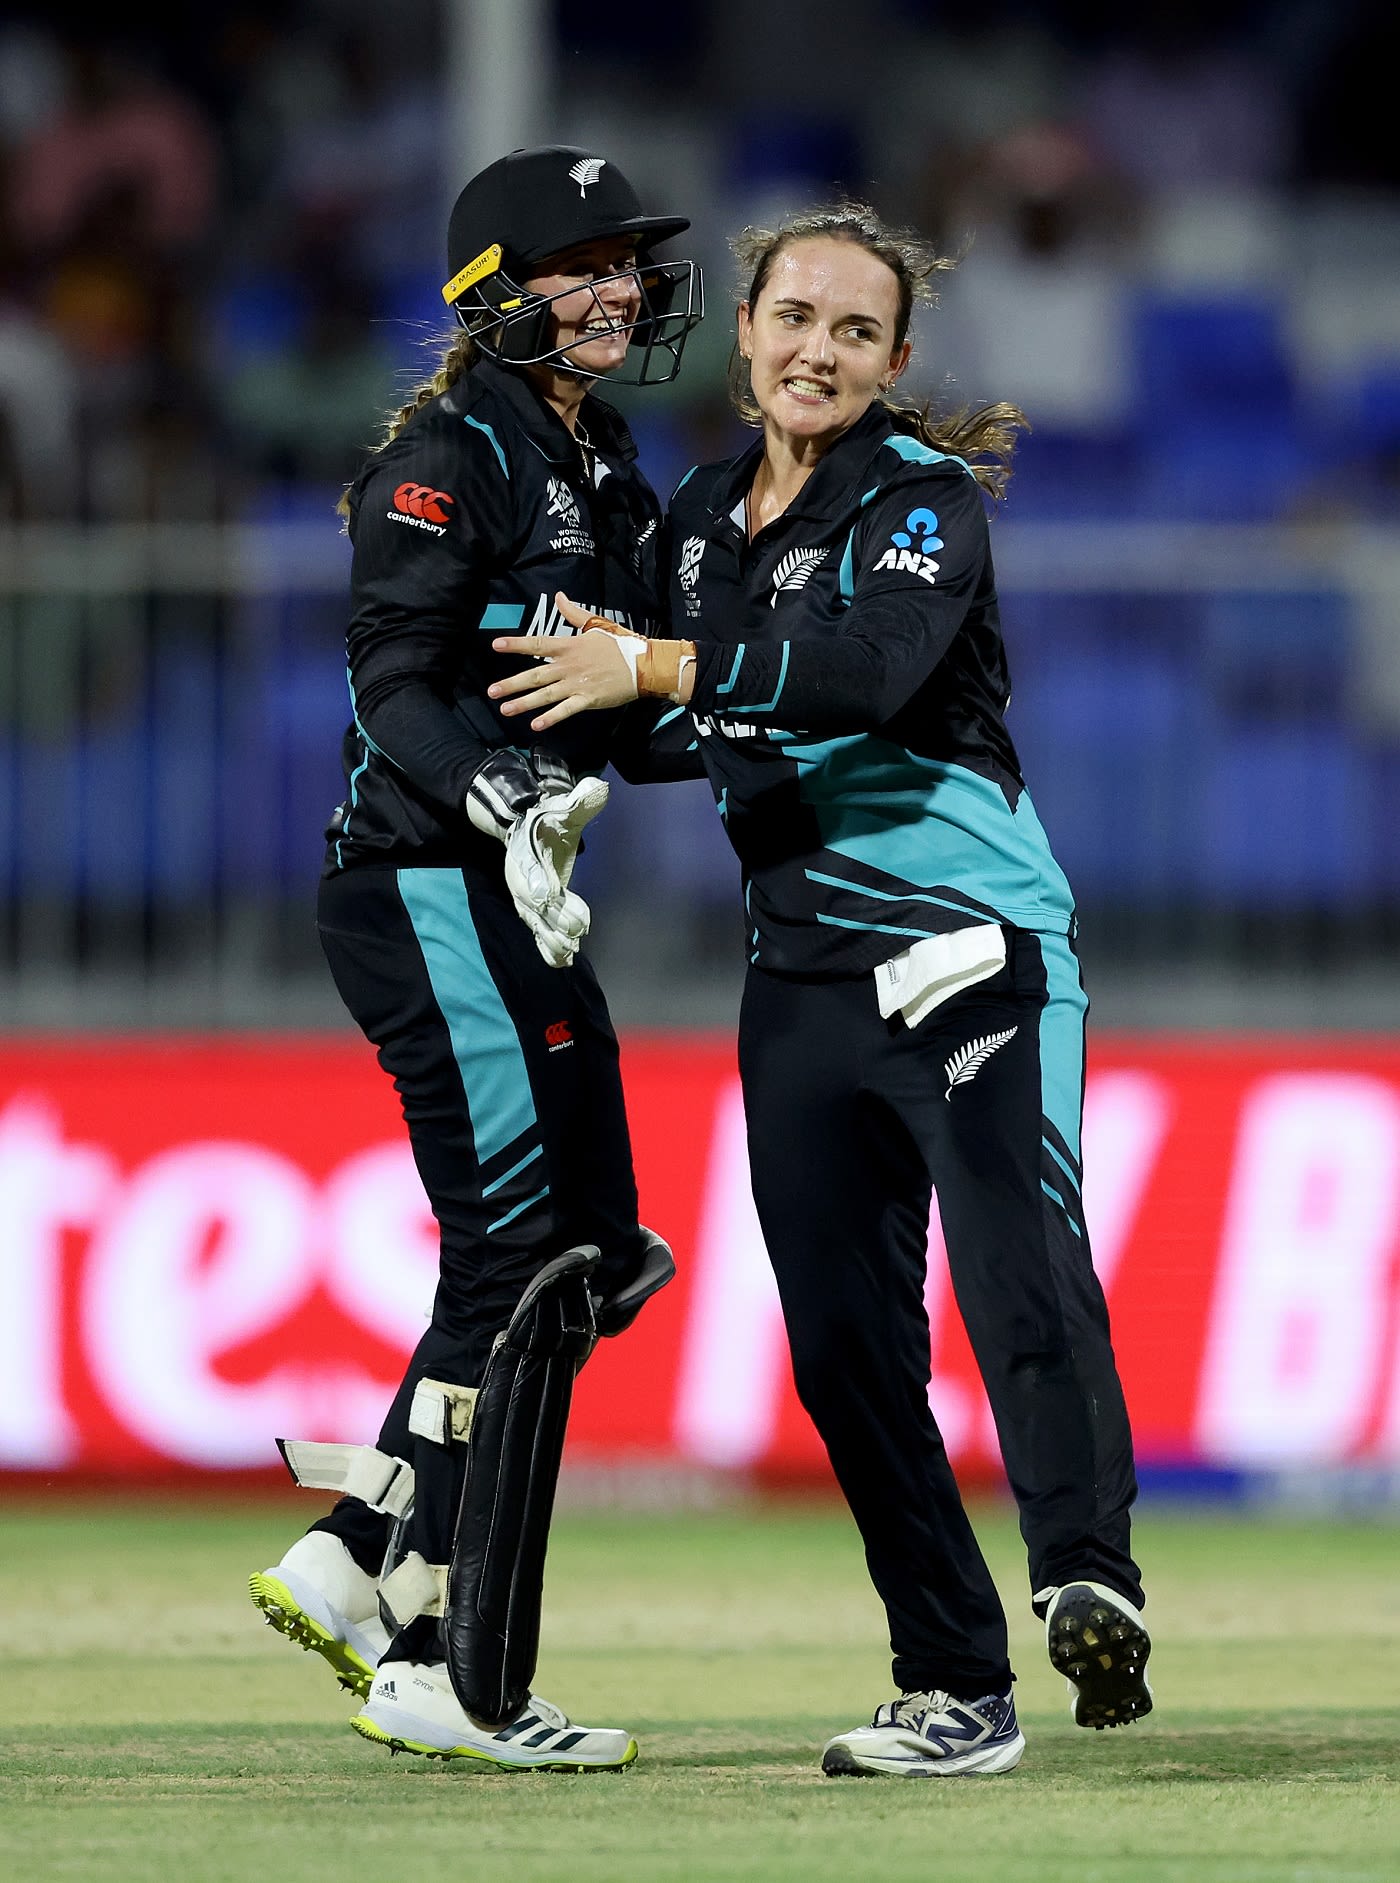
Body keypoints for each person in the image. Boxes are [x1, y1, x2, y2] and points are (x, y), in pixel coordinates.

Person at [486, 202, 1151, 1778]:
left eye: (856, 331)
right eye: (795, 318)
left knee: (1013, 1259)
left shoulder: (919, 499)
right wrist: (519, 682)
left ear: (895, 361)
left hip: (973, 951)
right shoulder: (705, 517)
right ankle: (952, 1686)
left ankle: (1085, 1579)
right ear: (749, 334)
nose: (818, 350)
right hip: (800, 979)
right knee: (844, 1346)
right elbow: (658, 715)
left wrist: (652, 666)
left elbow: (862, 673)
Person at [247, 143, 704, 1771]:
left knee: (589, 1252)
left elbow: (631, 712)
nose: (623, 289)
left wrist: (760, 722)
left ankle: (359, 1556)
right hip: (430, 883)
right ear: (496, 291)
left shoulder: (603, 461)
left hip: (511, 891)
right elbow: (395, 676)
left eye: (630, 262)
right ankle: (446, 1658)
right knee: (528, 1265)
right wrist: (497, 785)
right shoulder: (447, 453)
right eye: (586, 261)